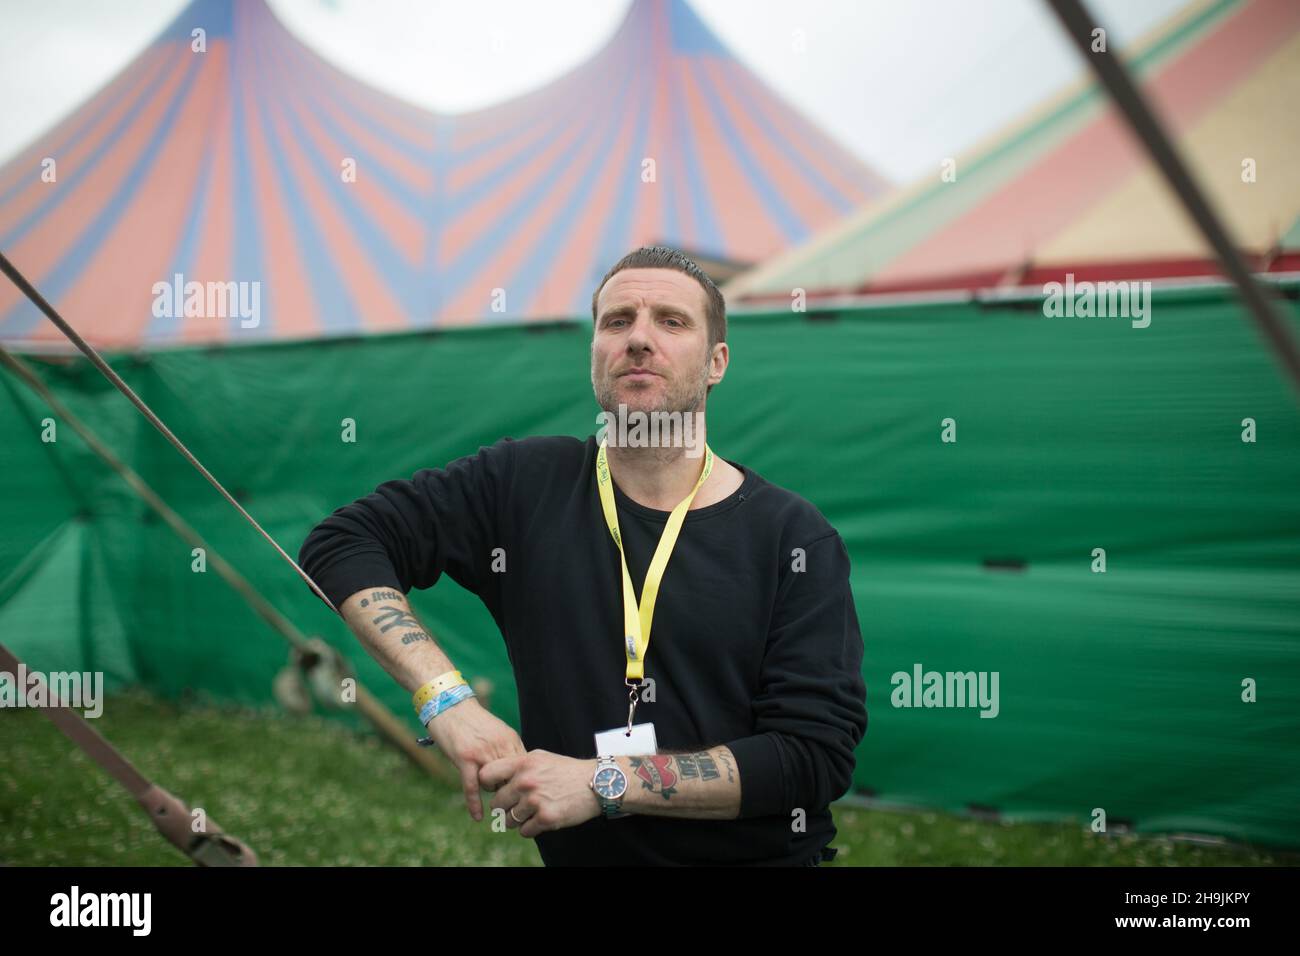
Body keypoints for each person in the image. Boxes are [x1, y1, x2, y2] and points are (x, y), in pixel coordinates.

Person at [298, 245, 867, 866]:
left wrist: (606, 782)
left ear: (716, 362)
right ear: (595, 350)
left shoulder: (792, 538)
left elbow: (813, 756)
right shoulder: (523, 484)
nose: (639, 339)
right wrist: (448, 702)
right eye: (617, 321)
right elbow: (344, 542)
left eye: (672, 322)